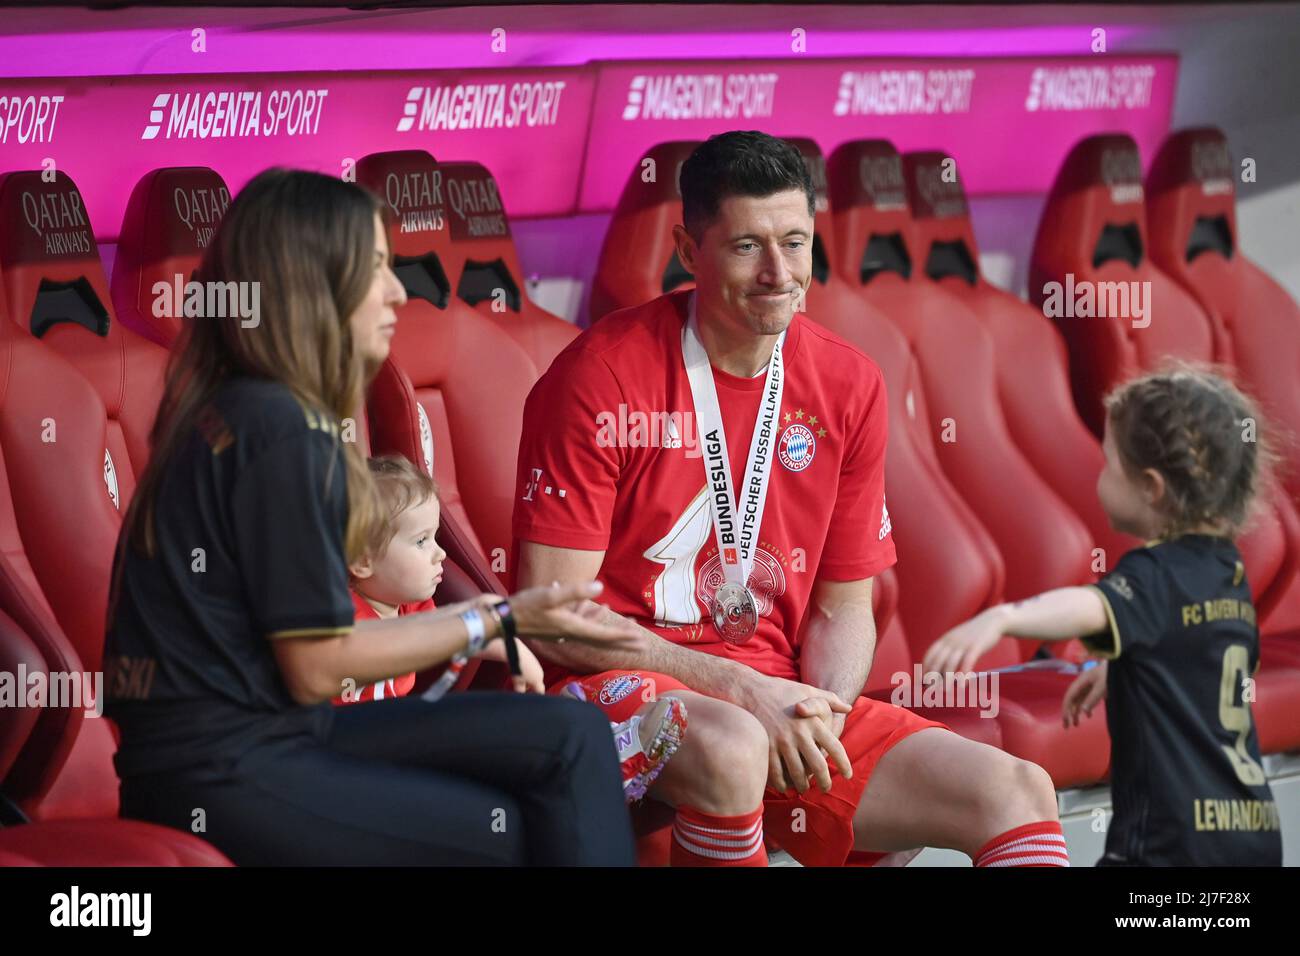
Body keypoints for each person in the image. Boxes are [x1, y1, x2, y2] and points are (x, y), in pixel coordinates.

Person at [512, 130, 1064, 868]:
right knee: (735, 745)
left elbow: (844, 607)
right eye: (746, 247)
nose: (779, 273)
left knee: (1019, 791)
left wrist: (819, 714)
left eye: (795, 242)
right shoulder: (600, 378)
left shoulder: (849, 383)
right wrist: (744, 691)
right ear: (688, 250)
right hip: (602, 691)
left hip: (772, 700)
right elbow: (553, 621)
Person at [104, 168, 640, 866]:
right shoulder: (279, 428)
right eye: (377, 269)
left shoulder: (252, 408)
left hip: (264, 738)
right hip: (227, 768)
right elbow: (318, 666)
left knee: (569, 736)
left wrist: (486, 623)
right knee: (504, 822)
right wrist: (494, 620)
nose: (397, 291)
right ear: (315, 284)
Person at [925, 367, 1284, 866]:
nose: (1100, 474)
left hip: (1170, 843)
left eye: (1110, 462)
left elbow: (1088, 605)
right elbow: (1196, 653)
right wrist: (1121, 669)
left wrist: (1003, 618)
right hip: (1251, 830)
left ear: (1152, 488)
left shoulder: (1154, 572)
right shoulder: (1227, 570)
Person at [335, 454, 688, 802]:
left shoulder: (409, 605)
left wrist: (512, 649)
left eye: (435, 537)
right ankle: (589, 760)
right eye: (421, 541)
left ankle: (587, 744)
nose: (440, 553)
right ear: (363, 560)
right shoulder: (342, 616)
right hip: (349, 759)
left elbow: (455, 629)